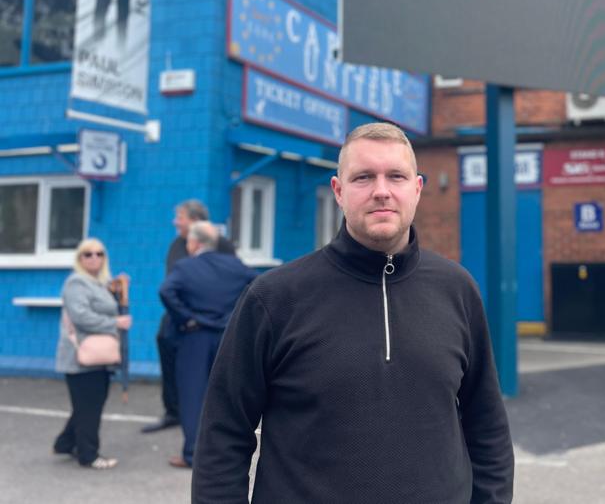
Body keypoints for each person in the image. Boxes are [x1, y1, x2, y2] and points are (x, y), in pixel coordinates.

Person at [192, 122, 514, 503]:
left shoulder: (457, 289)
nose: (381, 191)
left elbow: (487, 424)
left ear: (417, 189)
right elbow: (224, 433)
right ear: (339, 191)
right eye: (363, 177)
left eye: (396, 176)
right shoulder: (273, 298)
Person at [159, 221, 258, 469]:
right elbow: (257, 288)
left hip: (195, 337)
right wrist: (235, 316)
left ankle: (192, 454)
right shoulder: (237, 266)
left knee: (192, 394)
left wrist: (188, 317)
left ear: (195, 243)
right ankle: (226, 452)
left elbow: (166, 291)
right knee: (227, 394)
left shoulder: (185, 267)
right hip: (228, 336)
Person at [143, 199, 236, 434]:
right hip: (180, 316)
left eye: (180, 217)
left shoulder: (220, 244)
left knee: (204, 371)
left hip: (208, 321)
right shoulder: (177, 243)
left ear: (194, 221)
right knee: (165, 344)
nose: (176, 222)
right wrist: (184, 316)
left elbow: (230, 281)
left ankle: (206, 419)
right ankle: (173, 411)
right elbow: (171, 283)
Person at [53, 238, 132, 470]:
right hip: (81, 357)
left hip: (99, 358)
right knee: (90, 408)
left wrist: (119, 286)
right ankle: (89, 454)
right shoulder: (76, 283)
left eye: (99, 253)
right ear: (79, 259)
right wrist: (115, 322)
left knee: (85, 405)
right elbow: (81, 316)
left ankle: (65, 443)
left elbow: (107, 300)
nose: (94, 258)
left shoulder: (100, 283)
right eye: (88, 254)